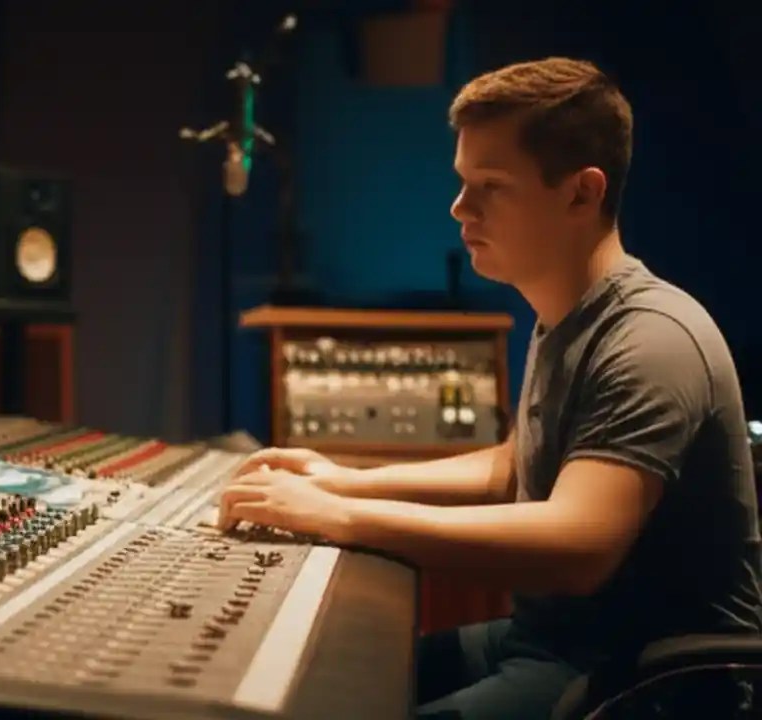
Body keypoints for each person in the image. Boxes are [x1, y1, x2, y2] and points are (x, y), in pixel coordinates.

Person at [217, 57, 762, 719]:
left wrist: (341, 517)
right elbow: (512, 468)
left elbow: (579, 546)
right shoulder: (563, 318)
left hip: (647, 681)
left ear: (582, 193)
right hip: (552, 643)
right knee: (322, 687)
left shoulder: (651, 338)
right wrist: (344, 480)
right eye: (463, 182)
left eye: (491, 187)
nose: (460, 208)